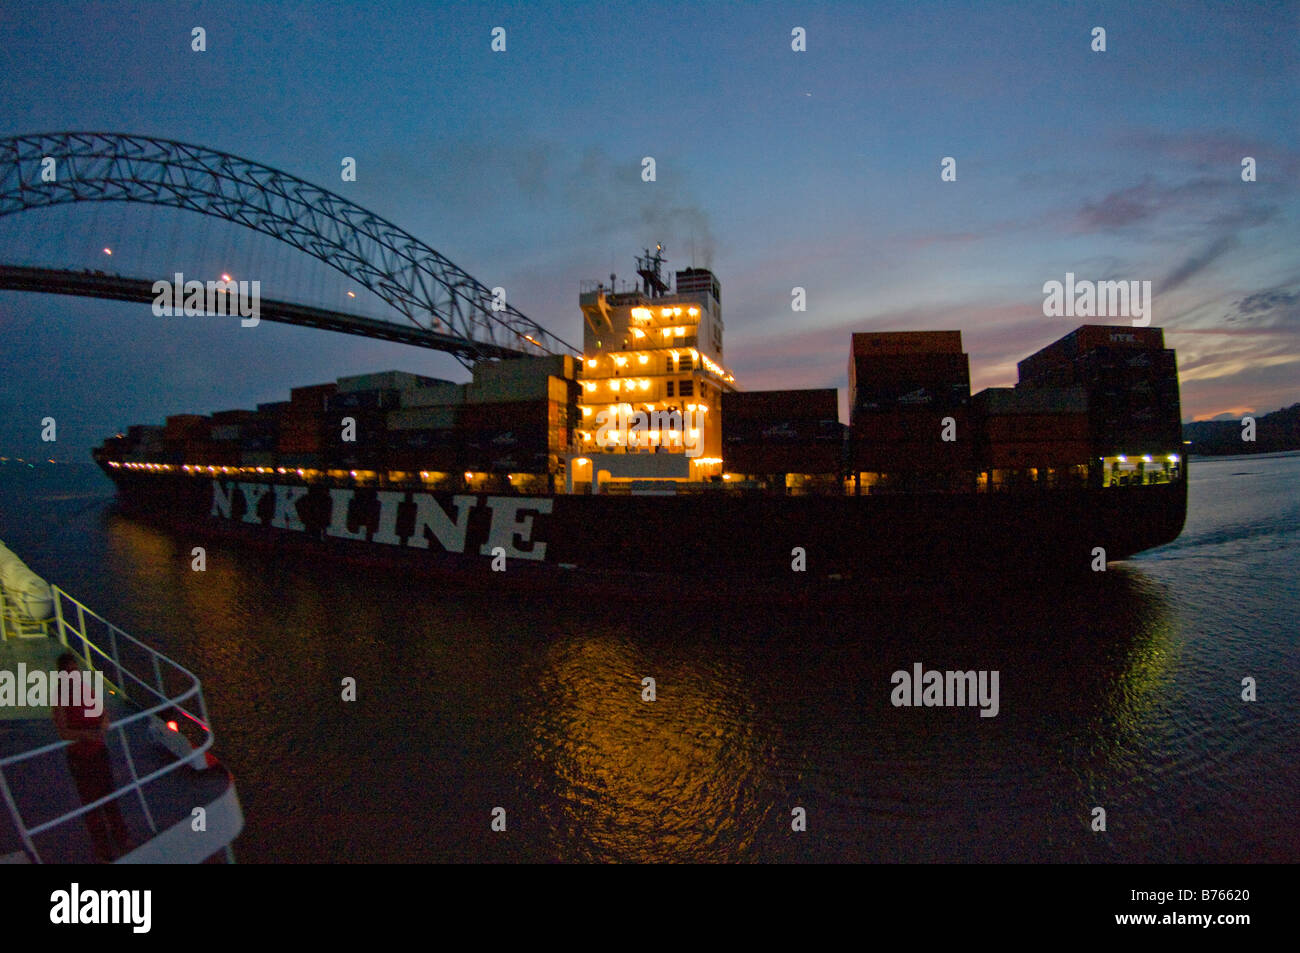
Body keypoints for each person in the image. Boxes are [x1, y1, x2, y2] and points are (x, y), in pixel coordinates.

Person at [50, 652, 131, 862]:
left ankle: (121, 837)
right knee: (91, 804)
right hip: (80, 758)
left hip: (98, 752)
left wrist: (103, 727)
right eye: (69, 672)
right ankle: (103, 848)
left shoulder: (87, 691)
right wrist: (84, 735)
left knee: (109, 796)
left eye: (75, 671)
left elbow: (103, 715)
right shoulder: (59, 698)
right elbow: (64, 732)